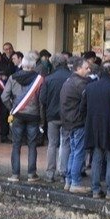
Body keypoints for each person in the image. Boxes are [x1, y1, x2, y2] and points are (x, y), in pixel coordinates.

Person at [83, 61, 110, 199]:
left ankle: (95, 189)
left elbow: (82, 108)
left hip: (94, 128)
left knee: (96, 158)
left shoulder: (90, 87)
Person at [2, 55, 46, 183]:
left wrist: (12, 108)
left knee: (16, 145)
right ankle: (32, 174)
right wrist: (42, 120)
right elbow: (42, 101)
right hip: (34, 115)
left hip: (18, 114)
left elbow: (4, 96)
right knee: (32, 145)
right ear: (33, 66)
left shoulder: (12, 78)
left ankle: (15, 174)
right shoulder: (39, 80)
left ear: (22, 64)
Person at [60, 57, 93, 192]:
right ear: (78, 69)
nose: (89, 70)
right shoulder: (80, 84)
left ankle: (69, 180)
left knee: (73, 151)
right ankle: (75, 182)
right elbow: (88, 102)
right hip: (78, 121)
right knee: (78, 152)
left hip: (69, 121)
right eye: (86, 68)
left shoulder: (68, 81)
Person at [41, 54, 71, 182]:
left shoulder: (48, 79)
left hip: (52, 115)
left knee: (52, 144)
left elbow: (42, 99)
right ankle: (63, 172)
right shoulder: (70, 77)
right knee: (65, 143)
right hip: (67, 115)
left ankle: (50, 172)